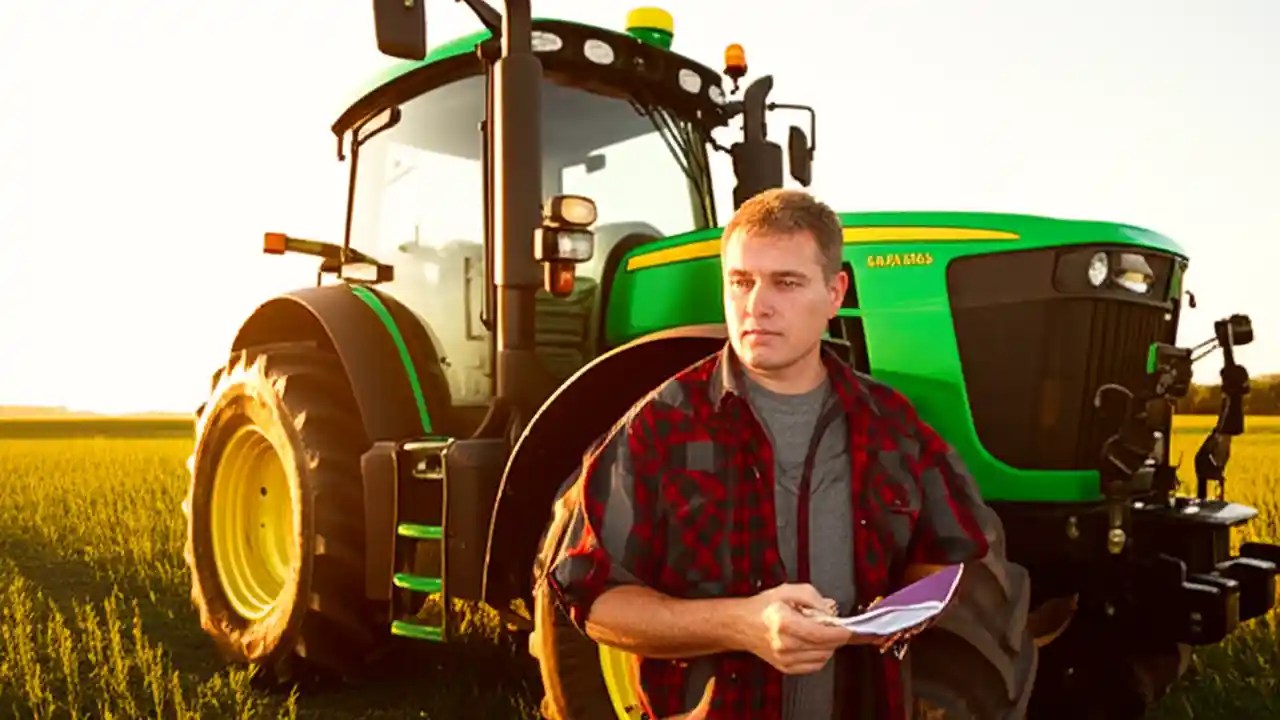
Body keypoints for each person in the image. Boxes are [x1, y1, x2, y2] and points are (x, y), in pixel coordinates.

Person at [541, 188, 993, 720]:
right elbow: (591, 600)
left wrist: (891, 619)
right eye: (741, 282)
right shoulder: (660, 428)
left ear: (835, 292)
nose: (757, 305)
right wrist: (742, 625)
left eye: (786, 282)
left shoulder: (892, 426)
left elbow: (949, 553)